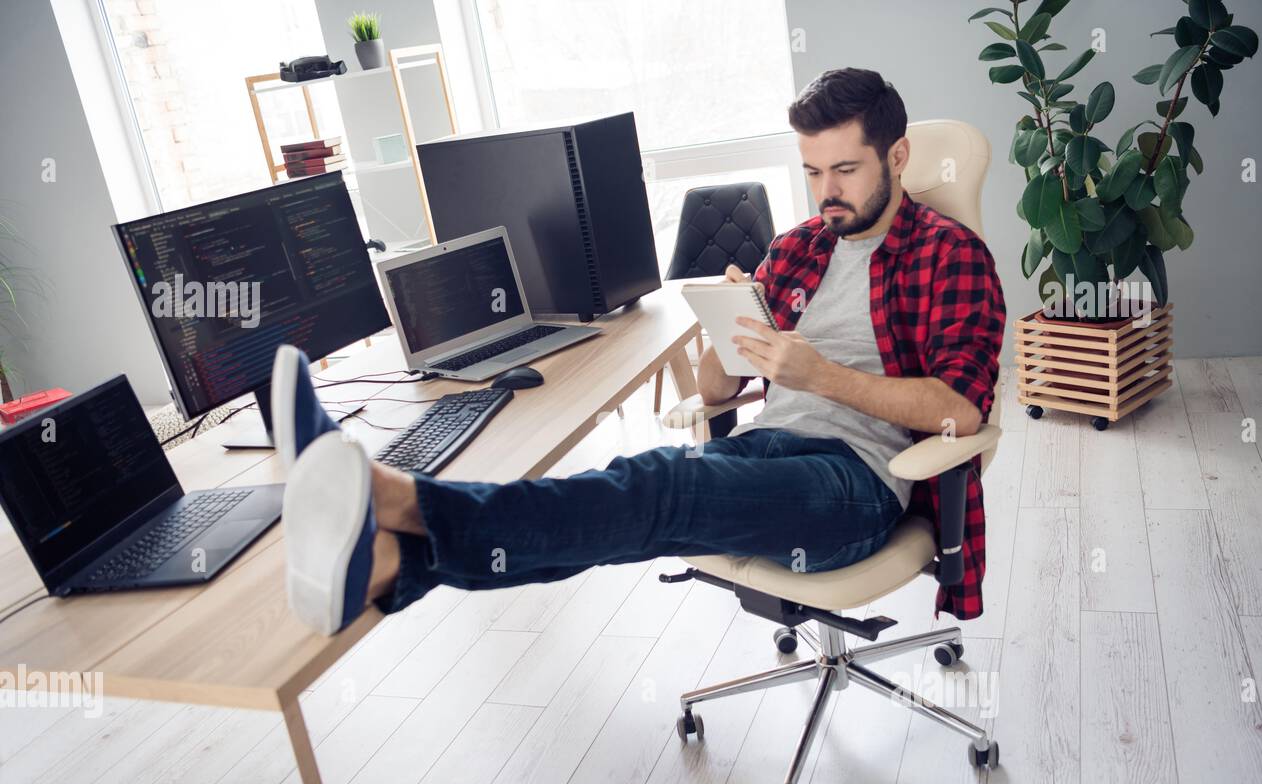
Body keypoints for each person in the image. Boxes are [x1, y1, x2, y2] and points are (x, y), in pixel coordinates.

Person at [272, 67, 1006, 636]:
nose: (826, 193)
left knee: (662, 491)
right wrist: (732, 330)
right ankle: (388, 564)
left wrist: (824, 376)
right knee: (639, 490)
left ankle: (396, 499)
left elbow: (958, 411)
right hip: (771, 446)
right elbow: (719, 392)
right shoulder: (797, 250)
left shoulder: (950, 255)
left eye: (844, 171)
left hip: (862, 488)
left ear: (898, 154)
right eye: (813, 172)